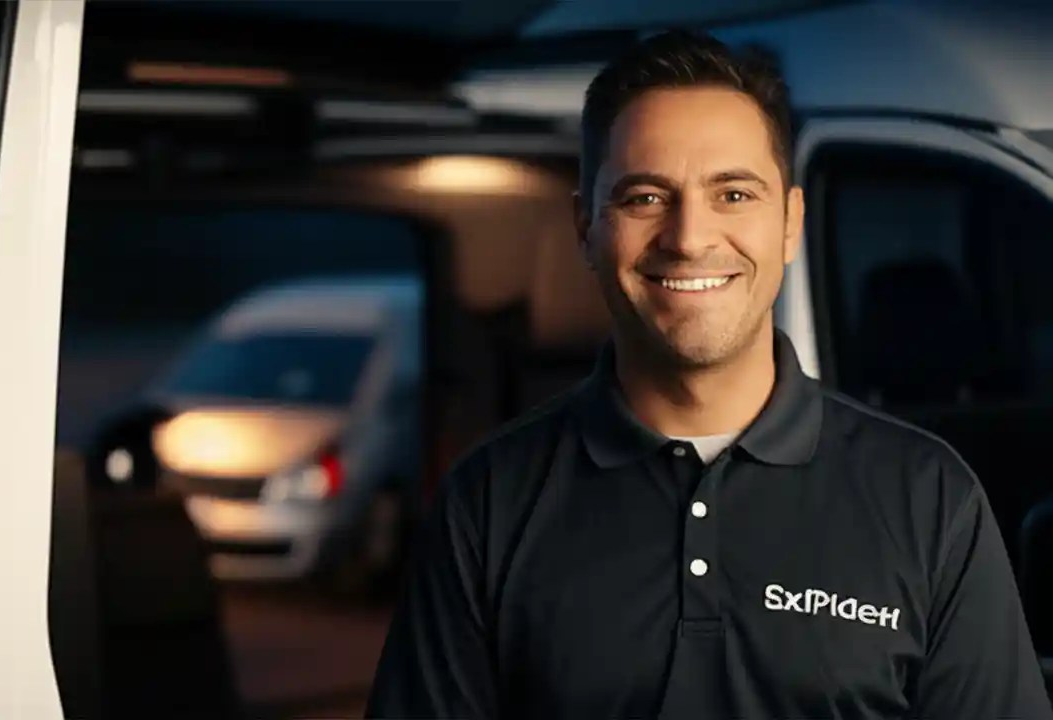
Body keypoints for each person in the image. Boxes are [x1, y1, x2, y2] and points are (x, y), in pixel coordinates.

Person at [365, 29, 1053, 720]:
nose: (690, 237)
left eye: (732, 195)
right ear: (585, 228)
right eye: (644, 198)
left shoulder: (930, 498)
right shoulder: (485, 506)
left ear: (789, 223)